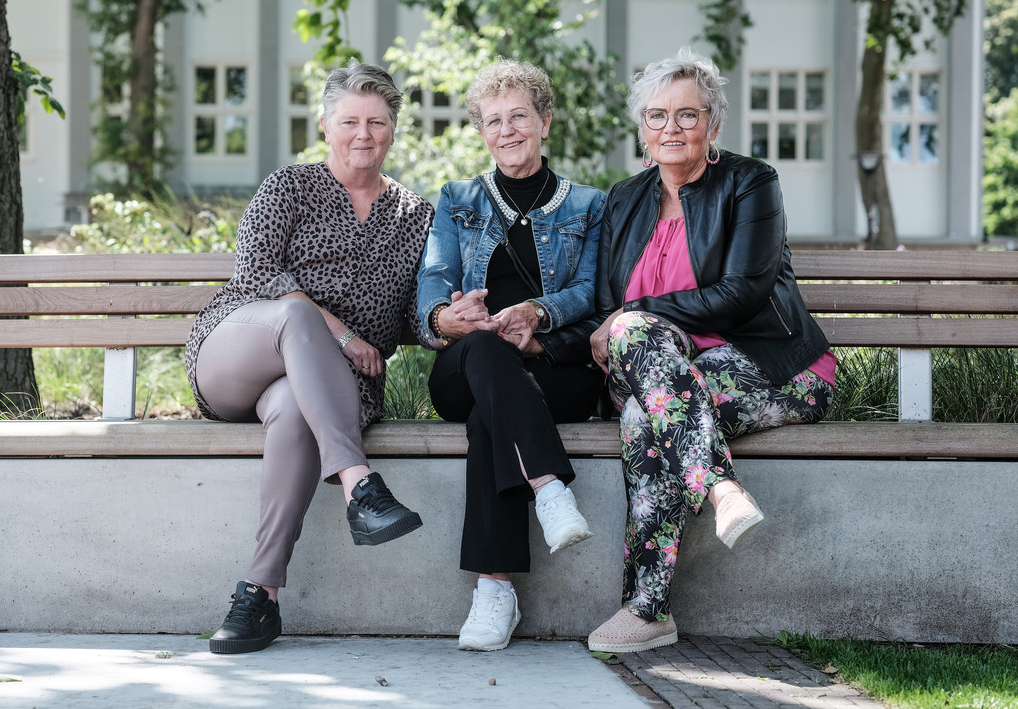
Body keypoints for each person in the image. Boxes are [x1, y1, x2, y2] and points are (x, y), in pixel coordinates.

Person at [585, 48, 835, 654]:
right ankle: (720, 489)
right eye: (656, 116)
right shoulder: (624, 199)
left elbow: (743, 293)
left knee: (647, 417)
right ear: (641, 127)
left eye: (687, 116)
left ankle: (647, 611)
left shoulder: (750, 182)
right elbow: (604, 306)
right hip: (665, 374)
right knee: (639, 347)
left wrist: (633, 316)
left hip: (774, 367)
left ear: (713, 125)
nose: (671, 129)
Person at [185, 61, 435, 655]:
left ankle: (259, 595)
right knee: (298, 313)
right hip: (239, 351)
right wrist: (343, 335)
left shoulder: (415, 216)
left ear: (393, 130)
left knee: (297, 409)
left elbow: (414, 316)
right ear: (326, 126)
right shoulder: (289, 187)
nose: (363, 134)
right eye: (349, 120)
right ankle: (359, 483)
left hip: (325, 390)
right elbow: (256, 273)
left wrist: (451, 317)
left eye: (376, 121)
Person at [416, 59, 607, 652]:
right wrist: (446, 318)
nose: (506, 130)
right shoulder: (456, 198)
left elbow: (598, 295)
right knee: (482, 350)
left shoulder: (589, 206)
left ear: (545, 121)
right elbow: (434, 278)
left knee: (489, 418)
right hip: (465, 363)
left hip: (553, 366)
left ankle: (494, 590)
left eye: (519, 116)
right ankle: (549, 487)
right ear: (481, 131)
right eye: (493, 120)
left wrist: (538, 316)